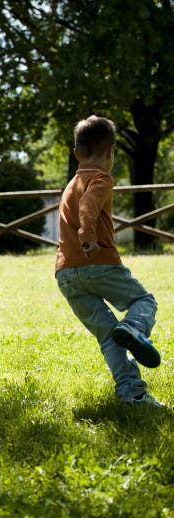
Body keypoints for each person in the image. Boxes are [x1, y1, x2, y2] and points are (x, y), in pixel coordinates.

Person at [55, 115, 162, 407]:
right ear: (112, 151)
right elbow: (89, 207)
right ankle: (134, 328)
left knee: (107, 336)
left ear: (77, 153)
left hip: (66, 274)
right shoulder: (100, 178)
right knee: (144, 302)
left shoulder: (70, 185)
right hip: (98, 262)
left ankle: (133, 394)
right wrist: (88, 236)